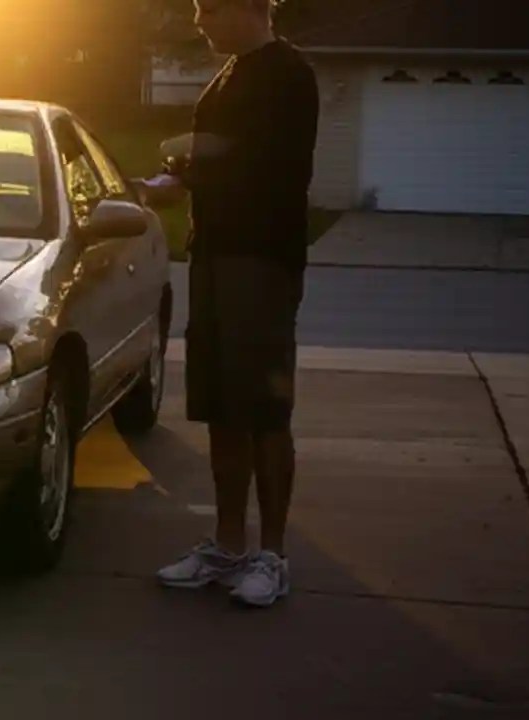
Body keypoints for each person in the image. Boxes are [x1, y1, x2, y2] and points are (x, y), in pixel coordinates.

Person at [132, 0, 319, 608]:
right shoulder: (230, 73)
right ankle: (228, 544)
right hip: (213, 255)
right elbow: (214, 153)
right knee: (220, 406)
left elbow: (266, 167)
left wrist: (188, 174)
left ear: (247, 7)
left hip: (261, 261)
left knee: (264, 409)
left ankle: (273, 555)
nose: (198, 21)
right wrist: (173, 179)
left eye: (207, 8)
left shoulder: (287, 74)